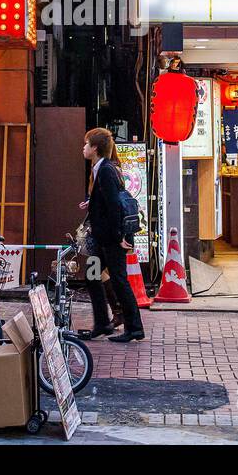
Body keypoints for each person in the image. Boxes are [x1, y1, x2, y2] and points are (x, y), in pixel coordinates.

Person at [76, 128, 144, 343]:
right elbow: (108, 200)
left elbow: (115, 205)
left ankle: (134, 327)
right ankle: (102, 323)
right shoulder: (100, 168)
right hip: (101, 240)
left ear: (95, 148)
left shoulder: (105, 170)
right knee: (93, 276)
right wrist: (92, 202)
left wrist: (119, 235)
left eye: (86, 144)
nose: (83, 148)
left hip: (111, 239)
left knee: (119, 280)